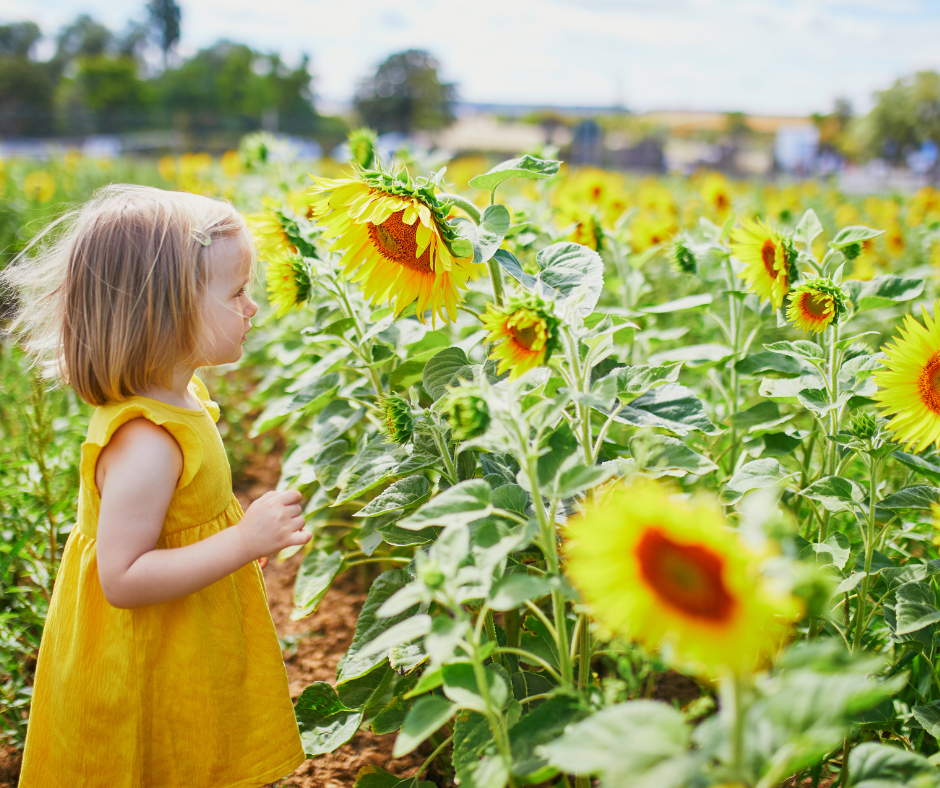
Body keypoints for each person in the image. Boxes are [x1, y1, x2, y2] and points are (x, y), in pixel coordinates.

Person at [3, 184, 311, 787]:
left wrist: (240, 532)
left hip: (182, 639)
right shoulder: (147, 441)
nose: (252, 308)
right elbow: (124, 577)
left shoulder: (182, 399)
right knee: (155, 762)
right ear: (164, 311)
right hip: (144, 657)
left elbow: (181, 520)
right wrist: (244, 541)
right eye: (237, 293)